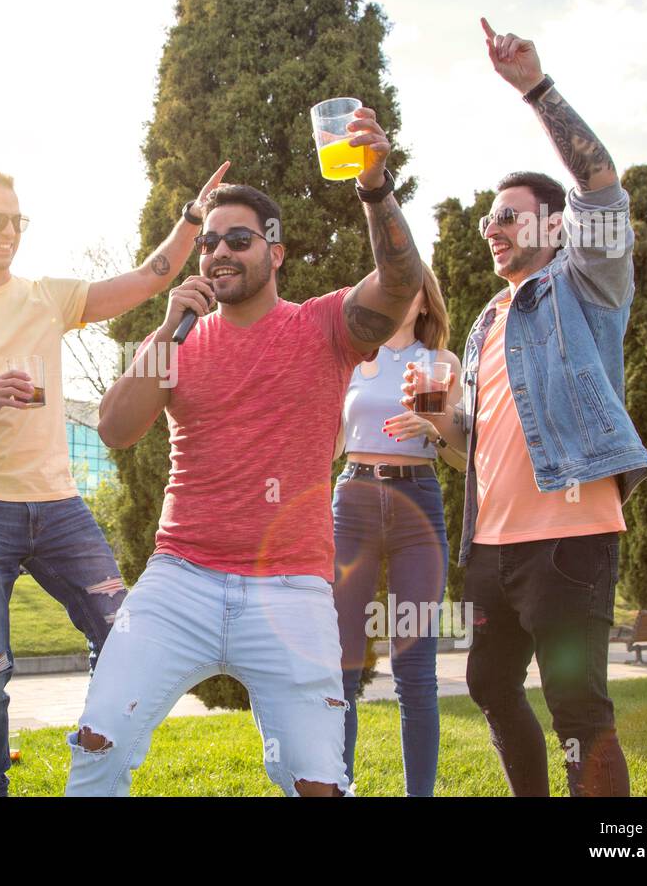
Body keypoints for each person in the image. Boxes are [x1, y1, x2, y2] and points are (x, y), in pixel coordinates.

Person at [66, 108, 422, 797]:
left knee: (315, 782)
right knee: (99, 740)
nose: (221, 252)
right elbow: (113, 428)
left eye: (239, 239)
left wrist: (375, 188)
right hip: (179, 581)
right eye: (210, 243)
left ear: (275, 253)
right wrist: (166, 329)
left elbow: (400, 286)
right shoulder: (175, 341)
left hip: (290, 589)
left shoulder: (324, 327)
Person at [0, 162, 229, 796]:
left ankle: (95, 767)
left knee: (121, 635)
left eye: (18, 220)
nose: (10, 231)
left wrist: (192, 223)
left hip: (58, 507)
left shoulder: (46, 296)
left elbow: (147, 280)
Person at [405, 20, 647, 797]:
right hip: (492, 547)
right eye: (488, 219)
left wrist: (535, 89)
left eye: (506, 215)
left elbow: (603, 189)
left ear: (553, 224)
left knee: (577, 707)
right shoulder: (484, 321)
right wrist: (438, 422)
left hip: (571, 536)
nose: (490, 228)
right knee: (487, 684)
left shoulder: (586, 287)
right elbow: (472, 446)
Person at [332, 262, 464, 796]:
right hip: (355, 499)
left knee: (416, 666)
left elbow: (461, 458)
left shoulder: (438, 363)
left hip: (417, 500)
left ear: (425, 303)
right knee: (341, 662)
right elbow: (329, 445)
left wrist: (433, 428)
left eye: (405, 291)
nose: (393, 299)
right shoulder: (351, 360)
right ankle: (337, 786)